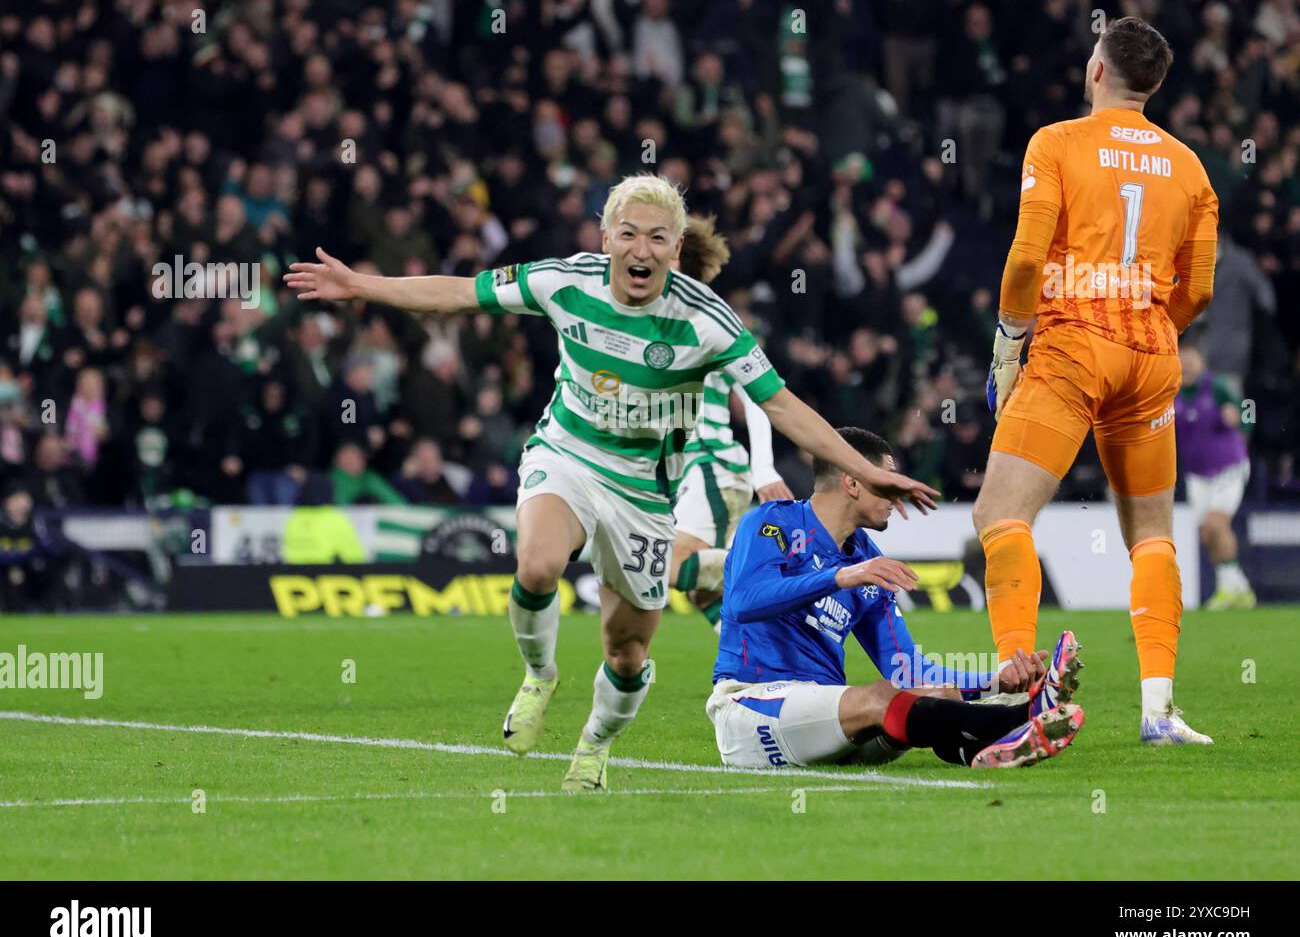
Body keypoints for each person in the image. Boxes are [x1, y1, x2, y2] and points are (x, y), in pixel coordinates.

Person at [286, 173, 939, 791]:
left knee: (626, 653)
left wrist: (864, 471)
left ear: (676, 249)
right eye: (628, 232)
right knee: (538, 564)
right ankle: (540, 675)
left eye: (658, 237)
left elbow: (784, 407)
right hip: (566, 456)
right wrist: (361, 284)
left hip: (645, 494)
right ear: (605, 238)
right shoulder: (563, 281)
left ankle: (595, 742)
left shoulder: (709, 320)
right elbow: (459, 291)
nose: (641, 248)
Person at [975, 17, 1218, 745]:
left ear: (1097, 71)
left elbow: (1024, 259)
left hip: (1073, 344)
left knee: (1001, 517)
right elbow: (1199, 290)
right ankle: (1158, 711)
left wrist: (1009, 344)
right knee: (1152, 539)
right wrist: (1151, 324)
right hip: (1150, 355)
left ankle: (1020, 682)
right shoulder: (1191, 166)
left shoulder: (1056, 143)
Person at [709, 428, 1084, 770]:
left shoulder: (864, 559)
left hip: (827, 725)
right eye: (886, 482)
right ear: (853, 482)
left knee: (935, 693)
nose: (896, 495)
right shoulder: (773, 522)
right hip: (751, 709)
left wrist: (998, 682)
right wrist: (839, 578)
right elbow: (744, 602)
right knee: (880, 696)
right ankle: (1017, 720)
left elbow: (909, 671)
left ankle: (983, 744)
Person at [670, 214, 792, 633]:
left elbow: (758, 398)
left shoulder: (706, 320)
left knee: (667, 567)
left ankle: (782, 571)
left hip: (712, 465)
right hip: (695, 471)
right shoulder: (653, 320)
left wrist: (765, 469)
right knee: (704, 592)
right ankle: (760, 665)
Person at [1176, 341, 1254, 609]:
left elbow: (1248, 409)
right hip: (1198, 473)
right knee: (1206, 533)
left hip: (1228, 467)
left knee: (1217, 524)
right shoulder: (1170, 392)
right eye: (1181, 361)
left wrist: (1241, 420)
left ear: (1202, 363)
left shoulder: (1218, 387)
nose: (1186, 366)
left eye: (1191, 361)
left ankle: (1226, 590)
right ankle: (1239, 587)